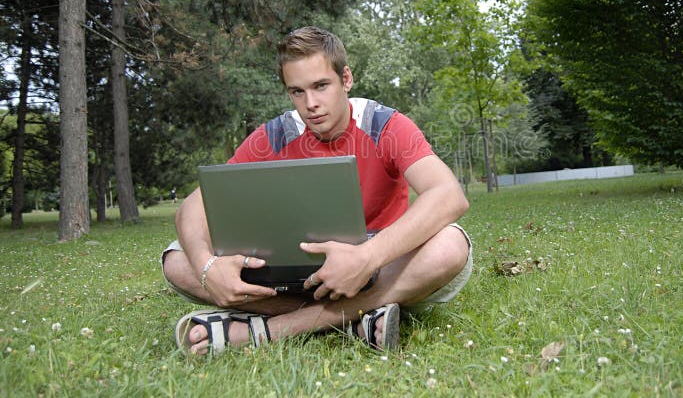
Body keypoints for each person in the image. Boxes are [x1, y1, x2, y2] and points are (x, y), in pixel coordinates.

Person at [162, 26, 472, 354]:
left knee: (450, 245)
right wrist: (207, 268)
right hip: (302, 270)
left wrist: (366, 257)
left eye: (321, 86)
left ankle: (269, 330)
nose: (311, 104)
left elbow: (448, 194)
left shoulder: (384, 125)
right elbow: (192, 207)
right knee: (179, 260)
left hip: (379, 263)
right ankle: (358, 320)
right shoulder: (276, 135)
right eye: (297, 92)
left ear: (346, 79)